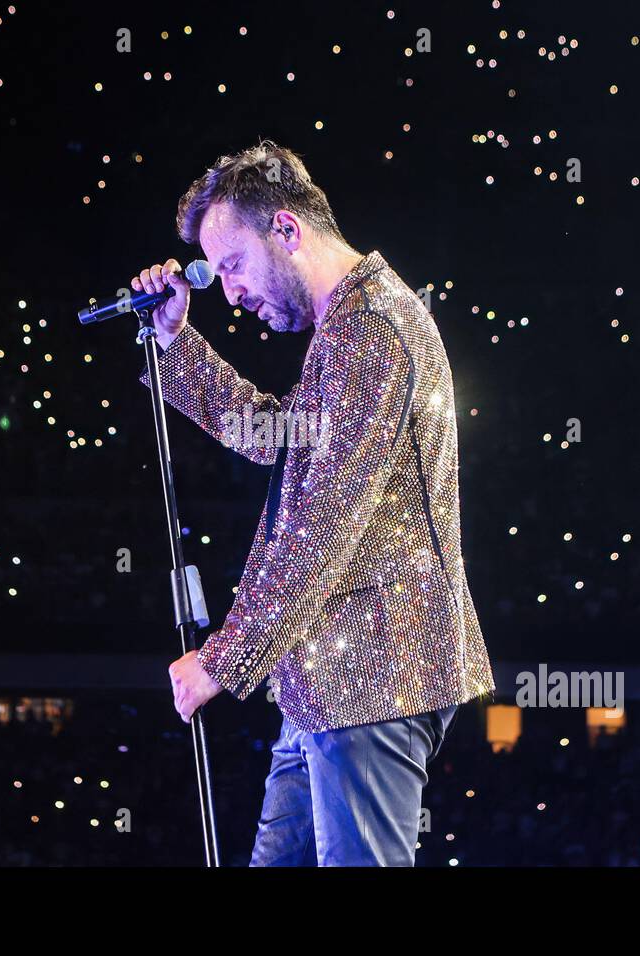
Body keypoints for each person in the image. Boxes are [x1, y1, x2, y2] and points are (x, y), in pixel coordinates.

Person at [133, 140, 494, 866]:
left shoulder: (369, 332)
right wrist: (175, 342)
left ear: (288, 231)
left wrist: (222, 660)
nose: (229, 294)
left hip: (374, 676)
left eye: (233, 265)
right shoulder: (348, 327)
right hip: (329, 683)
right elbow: (275, 439)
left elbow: (319, 525)